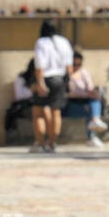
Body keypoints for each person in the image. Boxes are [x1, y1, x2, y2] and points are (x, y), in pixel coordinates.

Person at [30, 20, 74, 153]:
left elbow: (39, 64)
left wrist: (40, 82)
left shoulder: (41, 42)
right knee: (56, 112)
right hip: (59, 79)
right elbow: (69, 66)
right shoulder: (64, 41)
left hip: (46, 78)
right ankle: (52, 142)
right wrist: (67, 81)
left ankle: (40, 143)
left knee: (38, 112)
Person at [64, 50, 109, 148]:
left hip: (85, 103)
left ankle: (94, 123)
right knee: (91, 110)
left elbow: (90, 88)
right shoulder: (65, 75)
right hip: (69, 106)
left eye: (79, 64)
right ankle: (92, 135)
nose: (76, 66)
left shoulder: (84, 73)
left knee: (94, 103)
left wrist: (93, 93)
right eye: (74, 64)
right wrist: (85, 95)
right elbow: (66, 94)